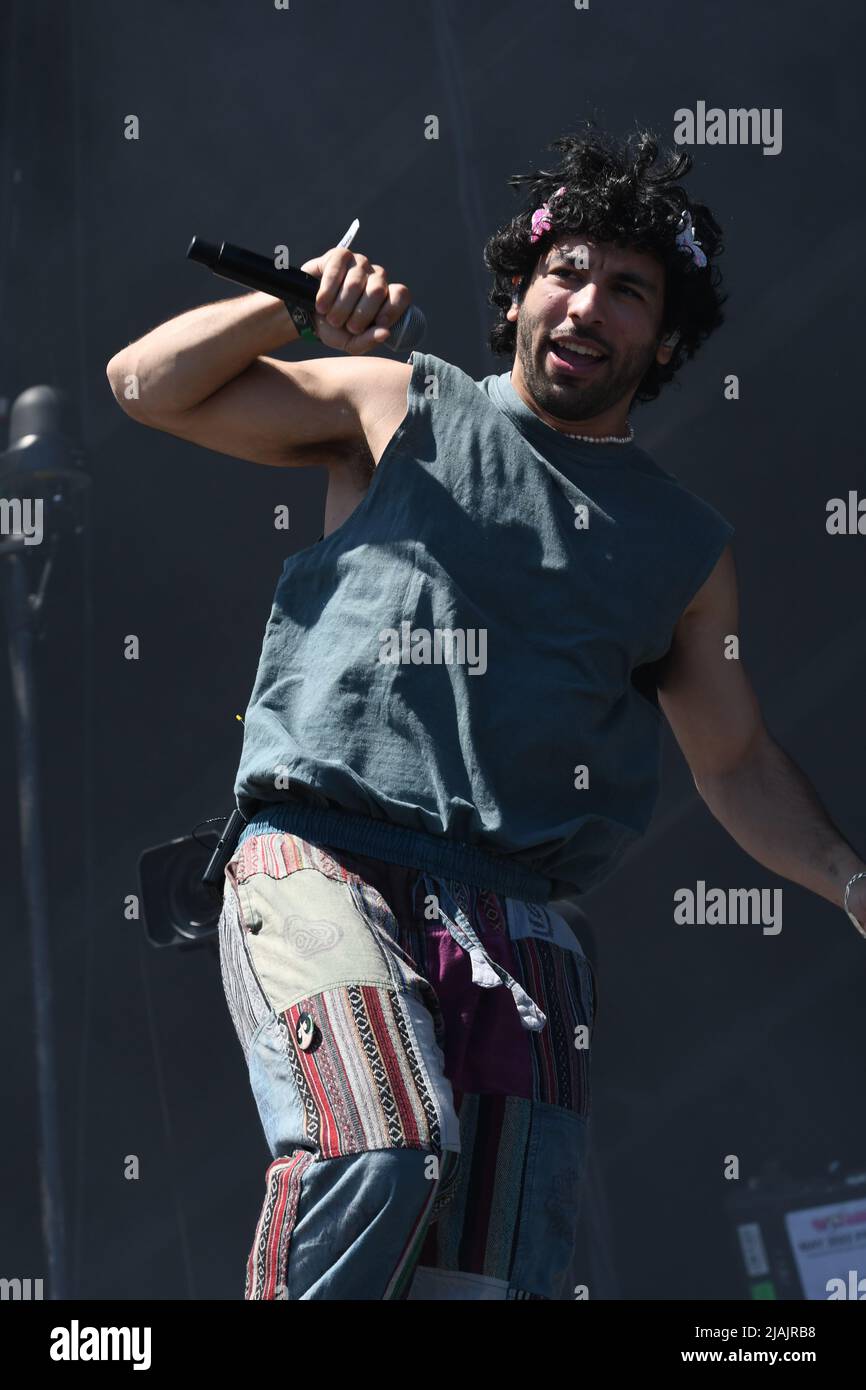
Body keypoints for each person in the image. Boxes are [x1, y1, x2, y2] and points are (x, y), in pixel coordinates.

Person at [106, 125, 866, 1300]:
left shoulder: (681, 545)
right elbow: (145, 385)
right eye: (566, 271)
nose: (585, 304)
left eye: (626, 289)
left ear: (664, 340)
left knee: (491, 1276)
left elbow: (736, 759)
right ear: (516, 290)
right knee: (381, 1142)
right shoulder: (399, 402)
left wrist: (848, 880)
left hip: (516, 918)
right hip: (324, 857)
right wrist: (292, 308)